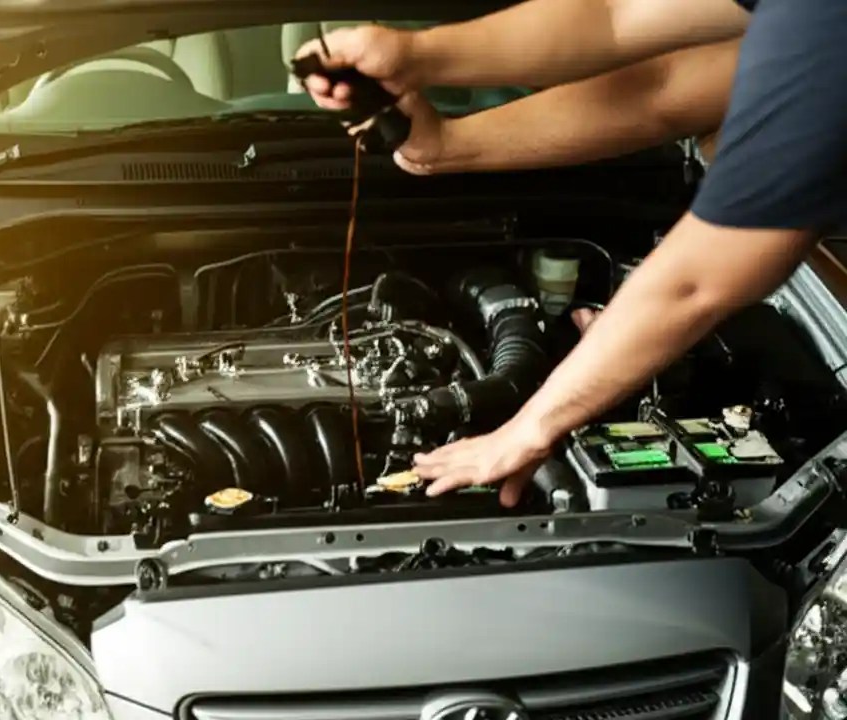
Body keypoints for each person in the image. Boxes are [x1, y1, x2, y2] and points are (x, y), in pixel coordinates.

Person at [298, 0, 847, 508]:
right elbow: (633, 43)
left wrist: (528, 428)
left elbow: (698, 280)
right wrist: (422, 69)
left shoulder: (828, 41)